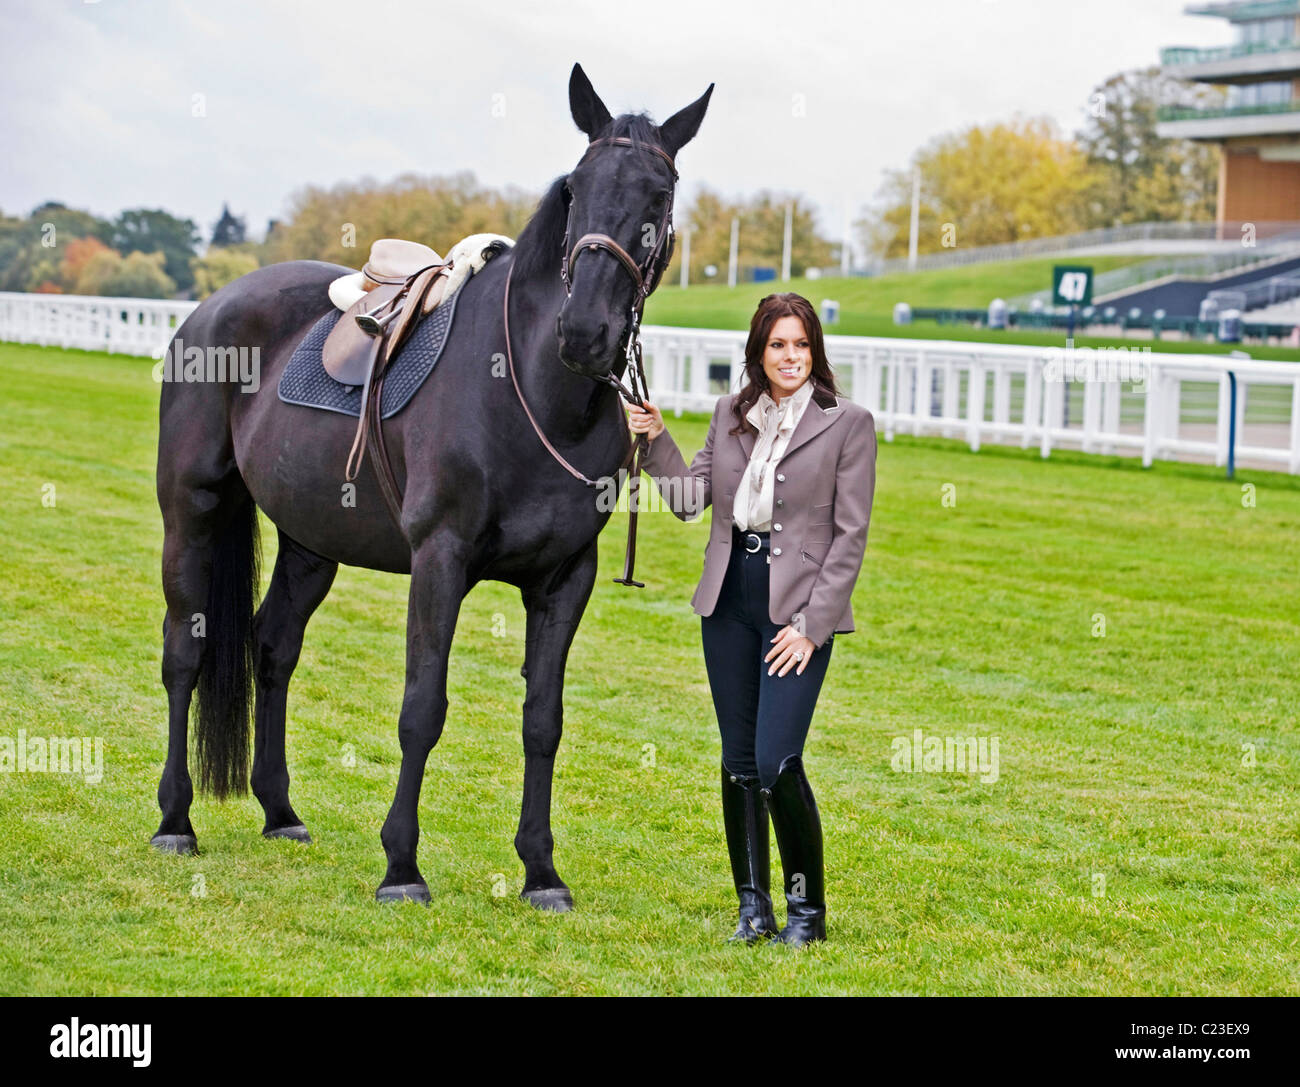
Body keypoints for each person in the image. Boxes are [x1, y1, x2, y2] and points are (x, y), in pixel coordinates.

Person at [627, 292, 877, 948]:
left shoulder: (847, 422)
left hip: (797, 608)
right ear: (758, 353)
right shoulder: (729, 415)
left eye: (800, 344)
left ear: (814, 350)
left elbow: (850, 537)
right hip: (729, 597)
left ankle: (807, 914)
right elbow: (687, 500)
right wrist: (656, 439)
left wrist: (812, 626)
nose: (790, 356)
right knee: (739, 758)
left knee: (776, 758)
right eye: (777, 345)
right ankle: (752, 908)